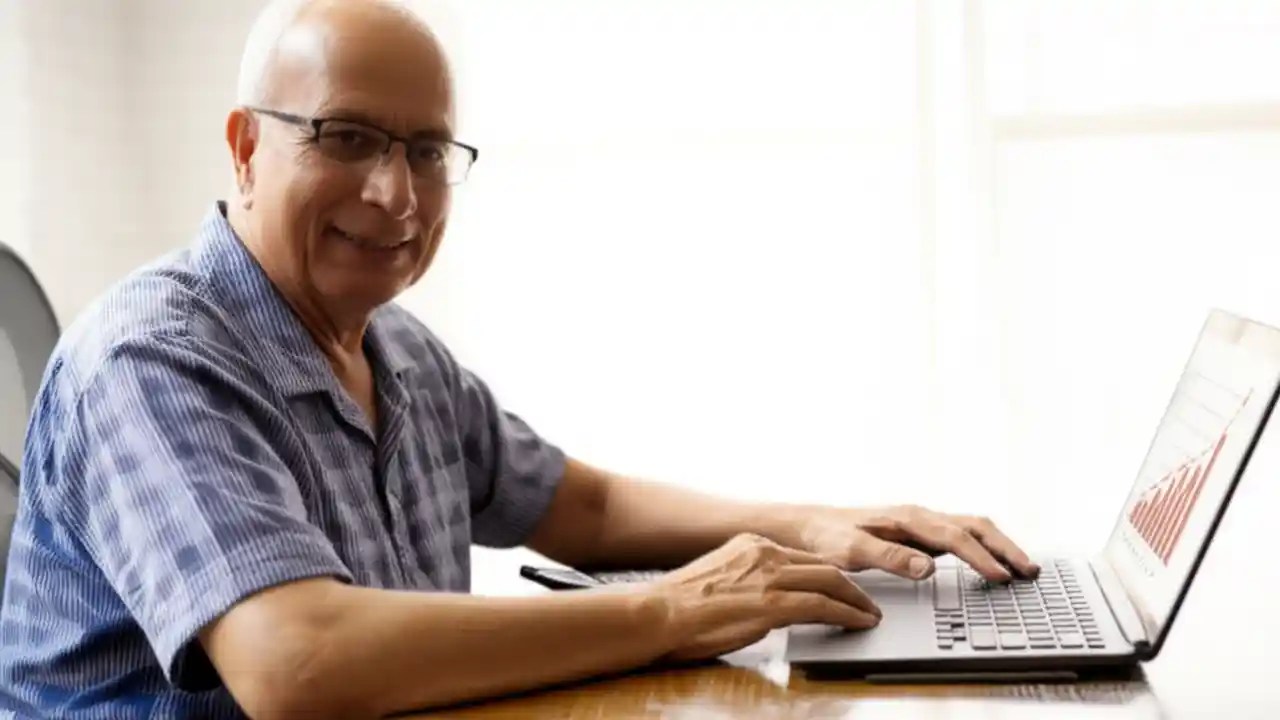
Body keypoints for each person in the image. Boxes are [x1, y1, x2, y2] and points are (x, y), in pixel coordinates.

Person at [0, 1, 1038, 718]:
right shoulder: (151, 360)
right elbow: (296, 664)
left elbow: (579, 510)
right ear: (243, 146)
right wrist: (666, 611)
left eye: (423, 152)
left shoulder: (398, 349)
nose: (396, 197)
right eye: (349, 138)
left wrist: (812, 524)